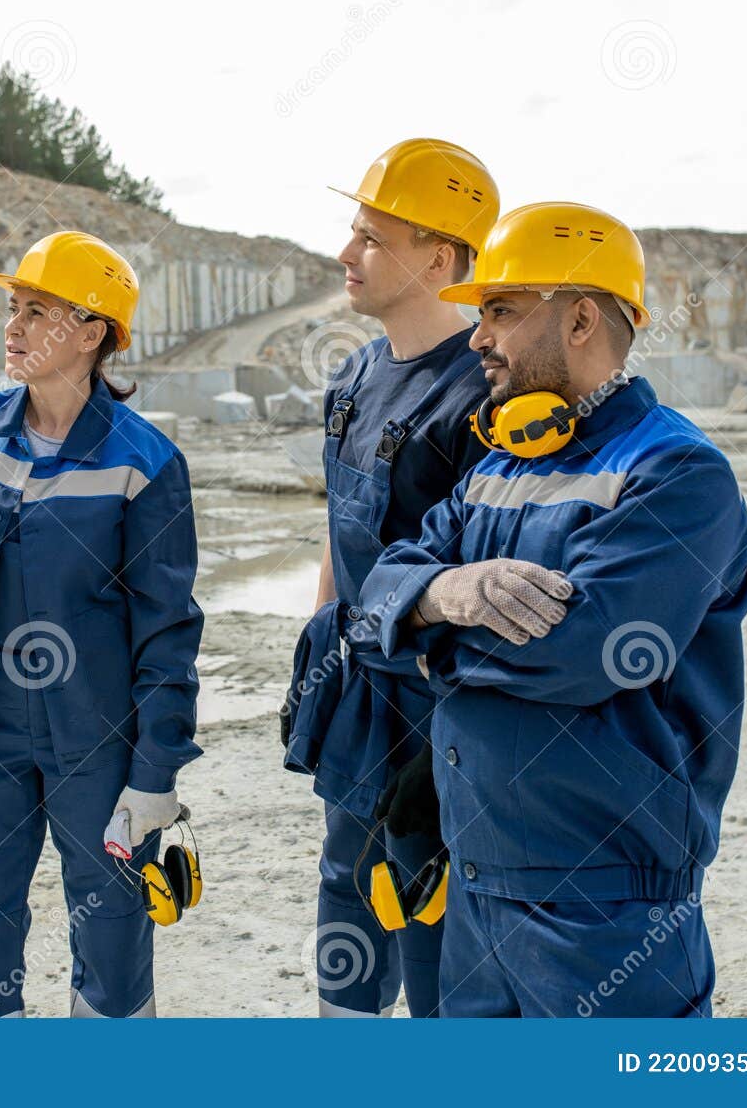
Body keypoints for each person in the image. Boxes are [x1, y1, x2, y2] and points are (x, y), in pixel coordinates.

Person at [358, 202, 747, 1017]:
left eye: (500, 311)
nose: (477, 337)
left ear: (580, 317)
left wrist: (426, 636)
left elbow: (585, 654)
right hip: (475, 884)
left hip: (607, 904)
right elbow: (378, 595)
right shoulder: (498, 466)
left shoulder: (678, 473)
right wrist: (441, 592)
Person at [0, 231, 204, 1018]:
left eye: (39, 310)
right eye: (13, 308)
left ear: (93, 334)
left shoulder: (145, 461)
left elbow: (168, 631)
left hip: (99, 742)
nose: (12, 327)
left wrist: (155, 776)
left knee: (115, 939)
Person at [281, 139, 497, 1017]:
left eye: (372, 238)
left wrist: (458, 735)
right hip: (357, 689)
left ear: (438, 257)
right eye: (354, 232)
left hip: (439, 699)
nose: (346, 254)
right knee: (345, 891)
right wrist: (316, 652)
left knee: (433, 914)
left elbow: (486, 582)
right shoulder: (357, 374)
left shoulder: (480, 394)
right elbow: (341, 522)